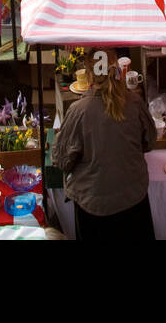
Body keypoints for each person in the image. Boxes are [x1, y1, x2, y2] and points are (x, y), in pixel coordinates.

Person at [53, 48, 156, 239]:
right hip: (133, 199)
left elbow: (61, 160)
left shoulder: (78, 111)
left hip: (94, 206)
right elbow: (149, 141)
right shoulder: (134, 102)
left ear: (89, 76)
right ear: (117, 71)